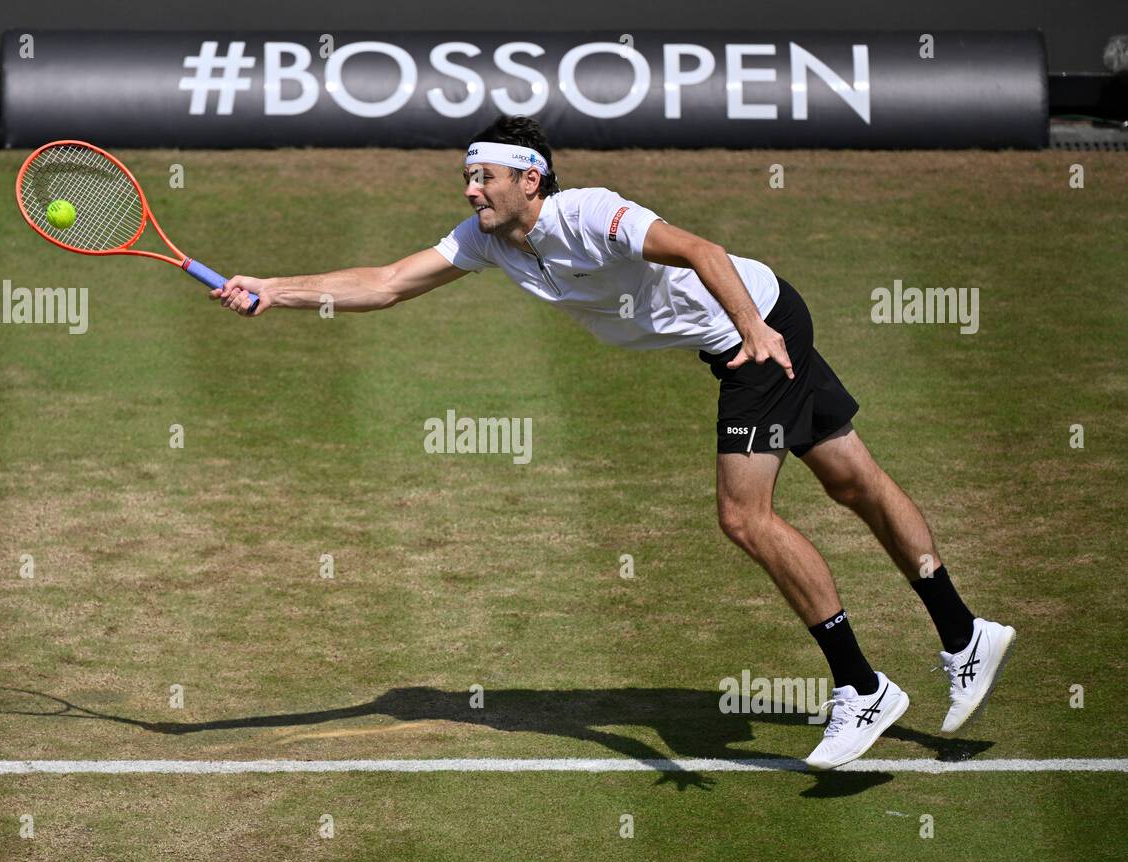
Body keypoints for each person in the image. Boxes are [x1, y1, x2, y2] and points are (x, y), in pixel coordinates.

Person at [210, 114, 1015, 769]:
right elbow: (388, 282)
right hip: (754, 327)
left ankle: (862, 686)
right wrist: (273, 291)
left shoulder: (587, 211)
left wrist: (751, 332)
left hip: (754, 335)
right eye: (466, 176)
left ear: (529, 178)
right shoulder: (487, 239)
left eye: (481, 176)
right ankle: (964, 632)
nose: (469, 189)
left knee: (745, 518)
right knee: (851, 482)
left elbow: (699, 250)